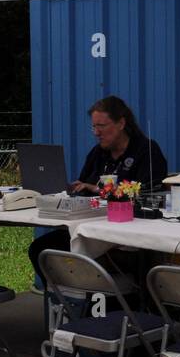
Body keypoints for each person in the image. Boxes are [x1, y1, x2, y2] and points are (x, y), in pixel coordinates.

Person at [27, 95, 168, 288]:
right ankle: (62, 301)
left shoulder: (146, 151)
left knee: (69, 255)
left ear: (121, 123)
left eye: (101, 126)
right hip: (90, 230)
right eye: (93, 127)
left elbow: (148, 196)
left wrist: (95, 188)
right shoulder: (98, 154)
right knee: (40, 249)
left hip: (124, 239)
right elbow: (82, 188)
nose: (96, 132)